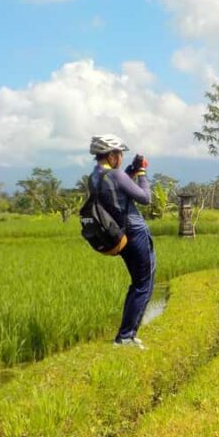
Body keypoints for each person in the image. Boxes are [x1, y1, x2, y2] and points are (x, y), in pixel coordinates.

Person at [89, 134, 155, 349]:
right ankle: (126, 336)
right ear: (110, 155)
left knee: (137, 283)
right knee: (144, 283)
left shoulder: (95, 176)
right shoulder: (116, 175)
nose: (121, 157)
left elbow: (119, 188)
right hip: (135, 232)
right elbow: (145, 198)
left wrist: (131, 171)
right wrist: (142, 173)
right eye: (119, 153)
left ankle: (126, 334)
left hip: (120, 235)